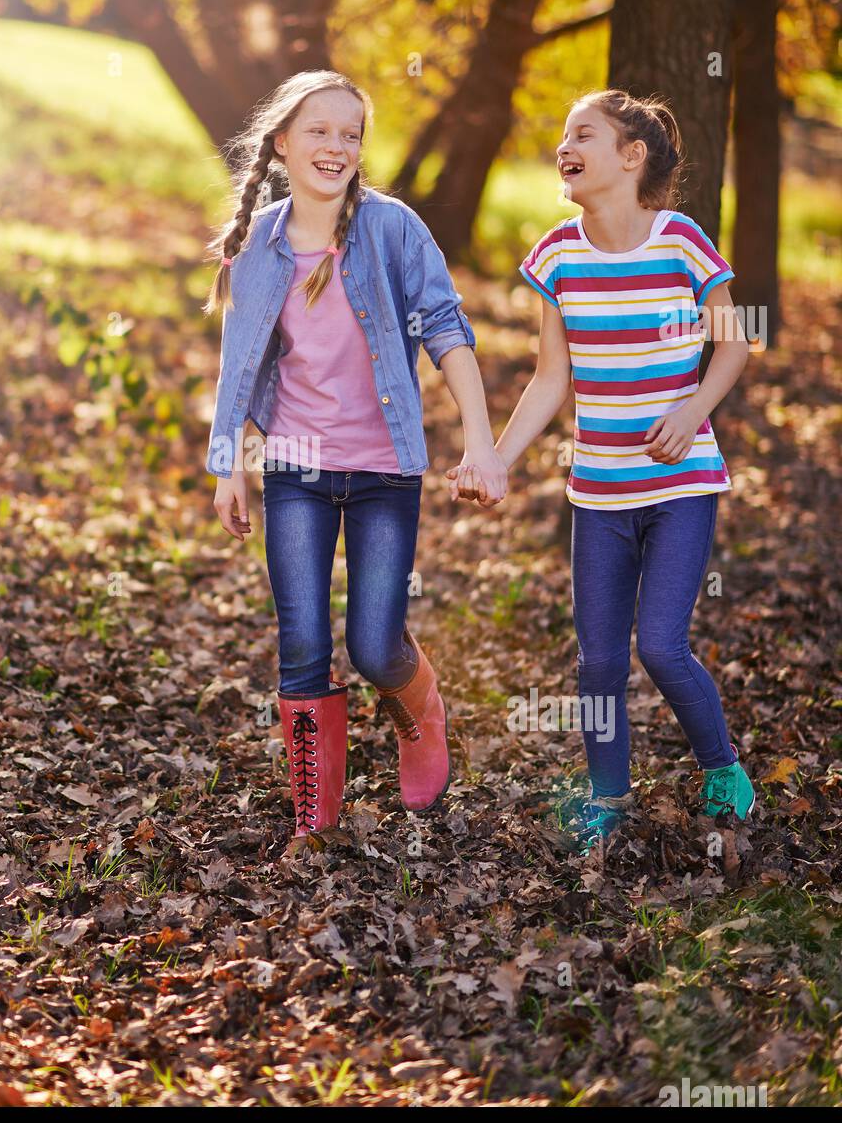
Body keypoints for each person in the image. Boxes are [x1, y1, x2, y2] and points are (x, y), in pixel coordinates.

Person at [204, 70, 507, 852]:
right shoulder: (259, 248)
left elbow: (447, 330)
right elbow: (240, 367)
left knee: (375, 644)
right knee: (301, 641)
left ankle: (420, 709)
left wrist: (481, 441)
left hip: (383, 474)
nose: (336, 146)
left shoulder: (393, 229)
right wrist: (228, 464)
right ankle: (317, 816)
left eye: (350, 134)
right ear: (280, 142)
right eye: (319, 131)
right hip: (297, 474)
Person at [476, 89, 754, 853]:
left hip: (680, 487)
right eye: (562, 135)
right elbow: (548, 379)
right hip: (597, 493)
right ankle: (609, 797)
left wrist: (690, 412)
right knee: (597, 659)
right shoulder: (557, 256)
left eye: (583, 134)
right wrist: (498, 459)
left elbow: (732, 346)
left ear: (631, 156)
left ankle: (723, 769)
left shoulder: (681, 242)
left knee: (660, 645)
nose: (564, 146)